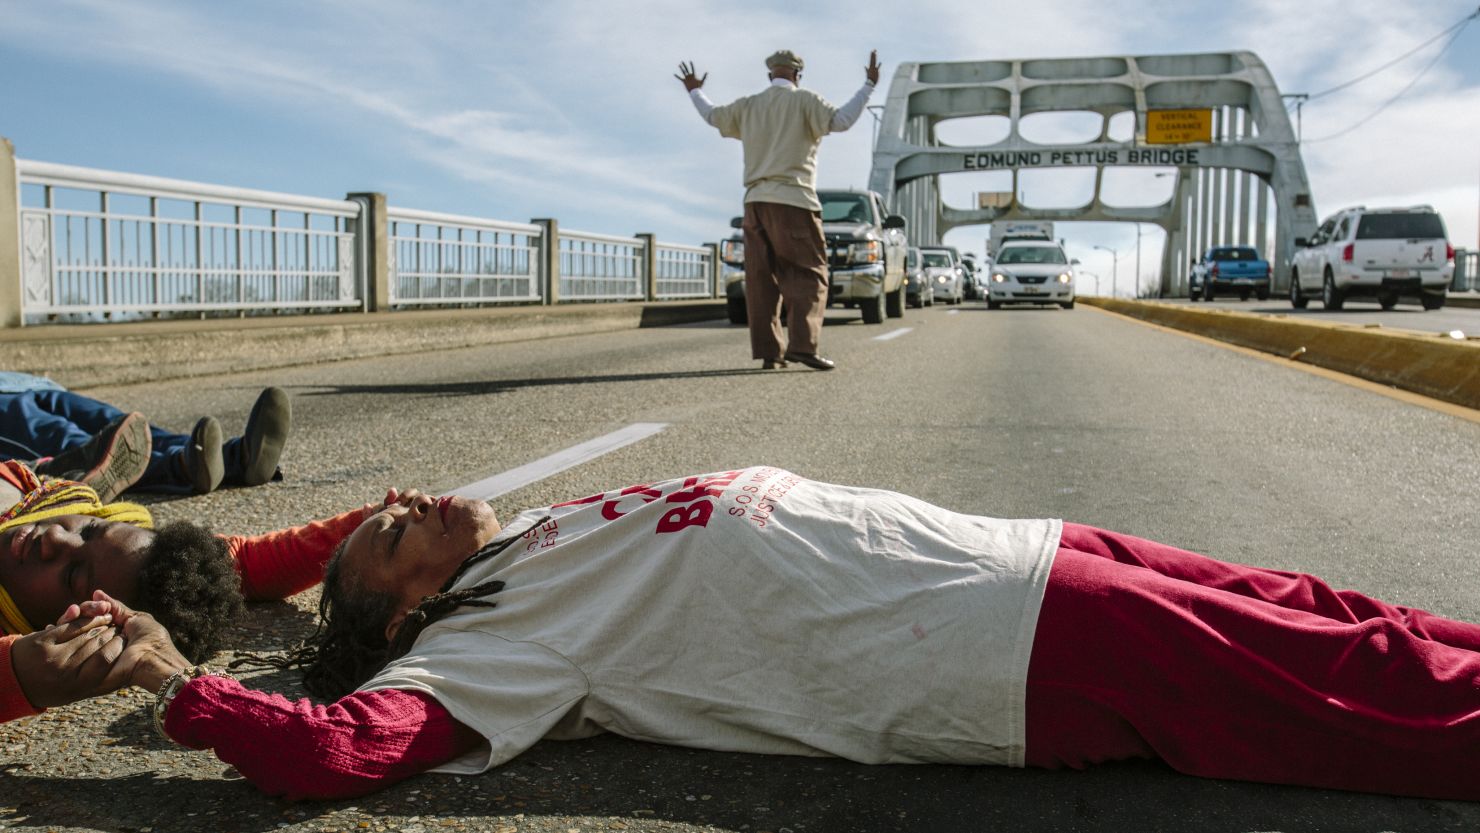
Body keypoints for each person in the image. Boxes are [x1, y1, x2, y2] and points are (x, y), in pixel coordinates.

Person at [77, 466, 1480, 802]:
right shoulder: (481, 647)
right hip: (1000, 646)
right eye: (391, 535)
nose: (402, 504)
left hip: (1017, 555)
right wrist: (178, 681)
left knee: (1326, 611)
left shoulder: (526, 540)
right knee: (1360, 695)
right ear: (407, 607)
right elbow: (339, 747)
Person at [0, 458, 397, 722]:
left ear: (69, 630)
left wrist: (16, 676)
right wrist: (378, 526)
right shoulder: (38, 502)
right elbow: (244, 561)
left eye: (72, 577)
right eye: (89, 529)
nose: (54, 538)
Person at [678, 50, 881, 371]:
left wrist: (694, 91)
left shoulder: (749, 105)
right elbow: (842, 120)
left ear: (770, 74)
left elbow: (712, 116)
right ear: (798, 74)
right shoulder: (805, 101)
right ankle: (803, 346)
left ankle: (770, 353)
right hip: (794, 200)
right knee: (809, 275)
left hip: (755, 203)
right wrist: (868, 85)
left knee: (761, 280)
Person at [0, 372, 292, 497]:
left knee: (124, 426)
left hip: (31, 384)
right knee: (73, 442)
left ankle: (236, 457)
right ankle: (180, 467)